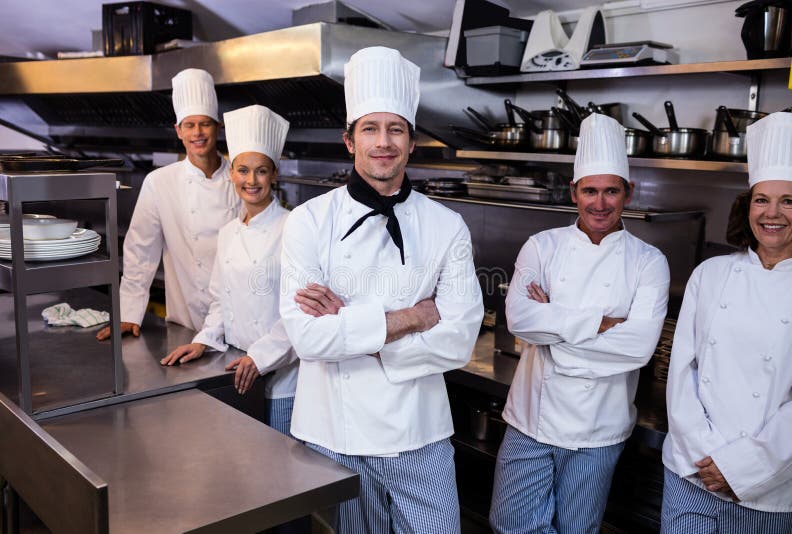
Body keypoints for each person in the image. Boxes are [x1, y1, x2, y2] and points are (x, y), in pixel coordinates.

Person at [278, 46, 484, 533]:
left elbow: (459, 340)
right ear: (350, 141)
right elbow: (307, 339)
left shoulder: (447, 226)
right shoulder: (309, 221)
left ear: (412, 143)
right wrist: (412, 318)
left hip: (420, 430)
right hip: (335, 430)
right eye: (370, 129)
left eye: (396, 129)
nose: (383, 142)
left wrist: (352, 330)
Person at [490, 113, 670, 534]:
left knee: (577, 530)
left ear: (629, 192)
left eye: (611, 191)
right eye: (590, 191)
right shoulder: (542, 246)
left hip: (599, 429)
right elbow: (519, 318)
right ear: (574, 192)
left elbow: (639, 347)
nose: (600, 203)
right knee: (511, 524)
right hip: (531, 419)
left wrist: (552, 329)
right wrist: (603, 323)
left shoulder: (649, 262)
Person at [661, 111, 792, 533]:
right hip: (691, 472)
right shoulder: (712, 273)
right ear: (748, 205)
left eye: (789, 201)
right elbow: (682, 371)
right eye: (762, 199)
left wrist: (741, 468)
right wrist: (708, 458)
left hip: (771, 489)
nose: (772, 213)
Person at [160, 104, 299, 434]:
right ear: (232, 174)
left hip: (283, 379)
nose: (251, 181)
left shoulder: (293, 228)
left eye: (261, 171)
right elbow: (221, 300)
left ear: (274, 174)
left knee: (281, 470)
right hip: (237, 370)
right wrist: (204, 340)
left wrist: (261, 358)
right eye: (243, 170)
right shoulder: (228, 233)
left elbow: (299, 311)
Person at [97, 68, 239, 340]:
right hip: (187, 319)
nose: (198, 132)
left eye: (205, 123)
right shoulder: (159, 182)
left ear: (218, 127)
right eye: (189, 125)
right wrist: (128, 314)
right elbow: (141, 252)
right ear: (178, 131)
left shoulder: (240, 177)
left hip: (238, 317)